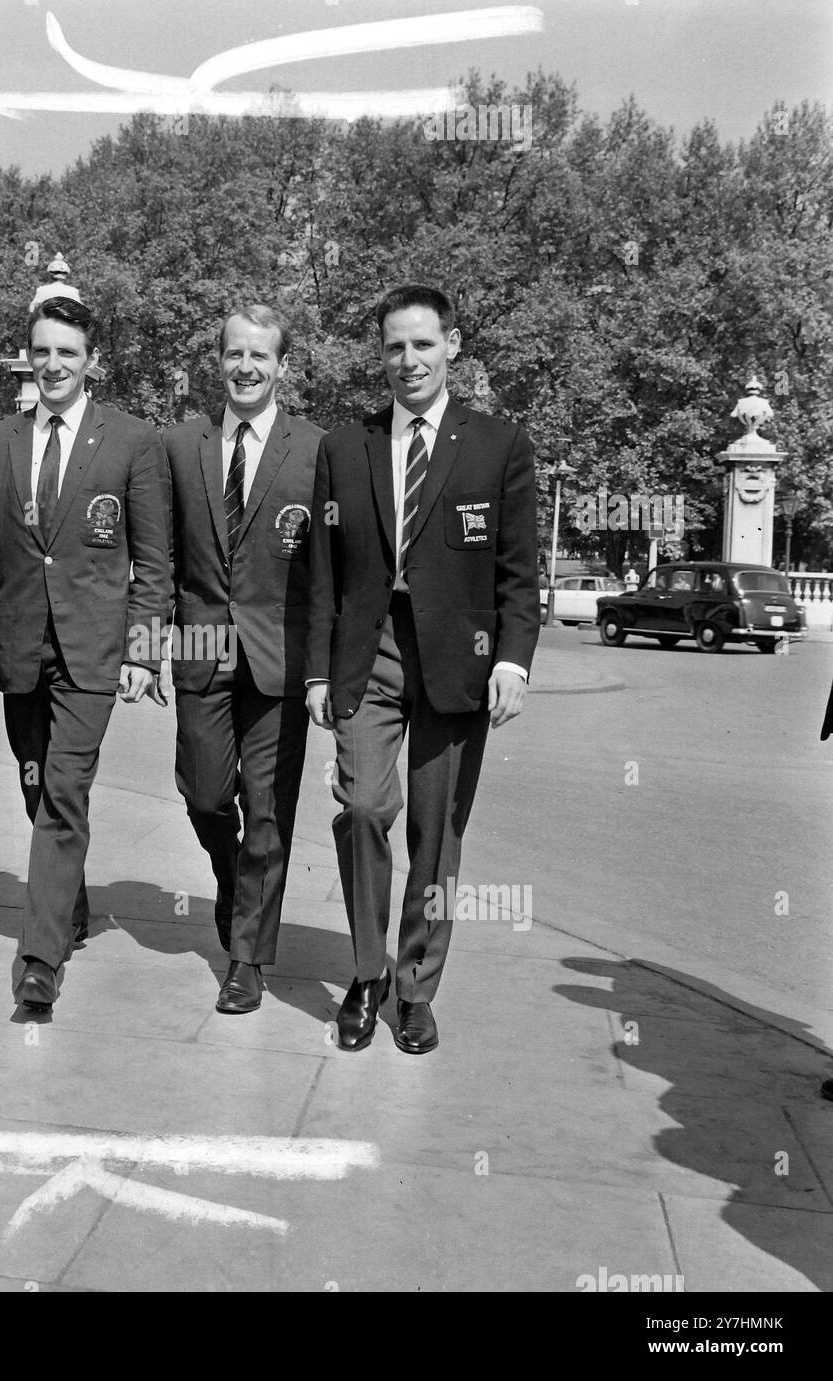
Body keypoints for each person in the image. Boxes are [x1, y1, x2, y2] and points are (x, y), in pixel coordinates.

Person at [306, 283, 539, 1054]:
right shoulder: (346, 447)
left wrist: (511, 658)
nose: (408, 361)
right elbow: (321, 575)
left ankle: (415, 988)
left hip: (458, 662)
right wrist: (316, 672)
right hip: (365, 656)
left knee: (436, 837)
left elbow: (516, 572)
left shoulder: (499, 445)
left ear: (453, 345)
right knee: (366, 808)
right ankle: (367, 973)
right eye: (394, 348)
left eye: (423, 345)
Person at [0, 296, 171, 1013]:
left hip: (93, 653)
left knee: (64, 791)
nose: (53, 364)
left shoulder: (132, 441)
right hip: (21, 647)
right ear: (28, 356)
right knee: (35, 786)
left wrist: (143, 652)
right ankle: (70, 899)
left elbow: (153, 559)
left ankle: (40, 956)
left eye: (68, 353)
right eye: (42, 351)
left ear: (92, 363)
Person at [163, 304, 323, 1014]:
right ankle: (233, 882)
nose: (246, 367)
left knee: (267, 812)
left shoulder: (319, 451)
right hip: (200, 648)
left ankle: (246, 958)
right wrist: (147, 646)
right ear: (218, 360)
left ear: (283, 366)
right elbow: (157, 556)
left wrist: (324, 668)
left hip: (280, 661)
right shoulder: (179, 446)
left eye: (261, 356)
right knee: (203, 794)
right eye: (234, 354)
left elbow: (328, 575)